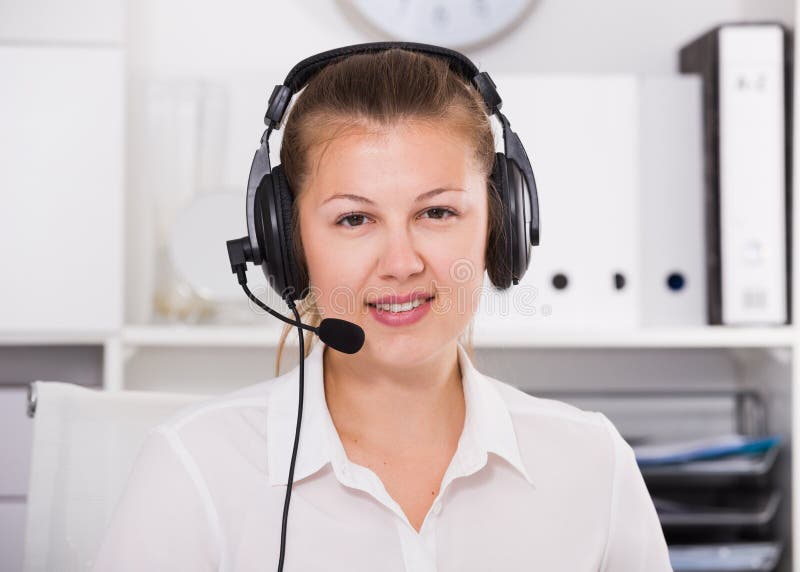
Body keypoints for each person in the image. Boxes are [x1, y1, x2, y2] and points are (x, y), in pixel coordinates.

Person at [92, 47, 672, 571]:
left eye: (437, 213)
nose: (401, 263)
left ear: (504, 226)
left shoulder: (594, 465)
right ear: (286, 245)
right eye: (354, 218)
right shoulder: (194, 471)